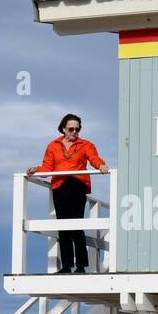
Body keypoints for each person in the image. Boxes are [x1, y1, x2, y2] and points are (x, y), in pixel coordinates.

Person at [27, 114, 108, 273]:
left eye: (77, 129)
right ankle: (66, 266)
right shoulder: (53, 145)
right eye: (71, 129)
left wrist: (101, 166)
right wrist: (36, 169)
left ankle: (80, 266)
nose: (74, 132)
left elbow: (94, 158)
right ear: (63, 128)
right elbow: (47, 168)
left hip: (77, 186)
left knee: (76, 225)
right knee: (62, 226)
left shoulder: (86, 144)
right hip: (59, 187)